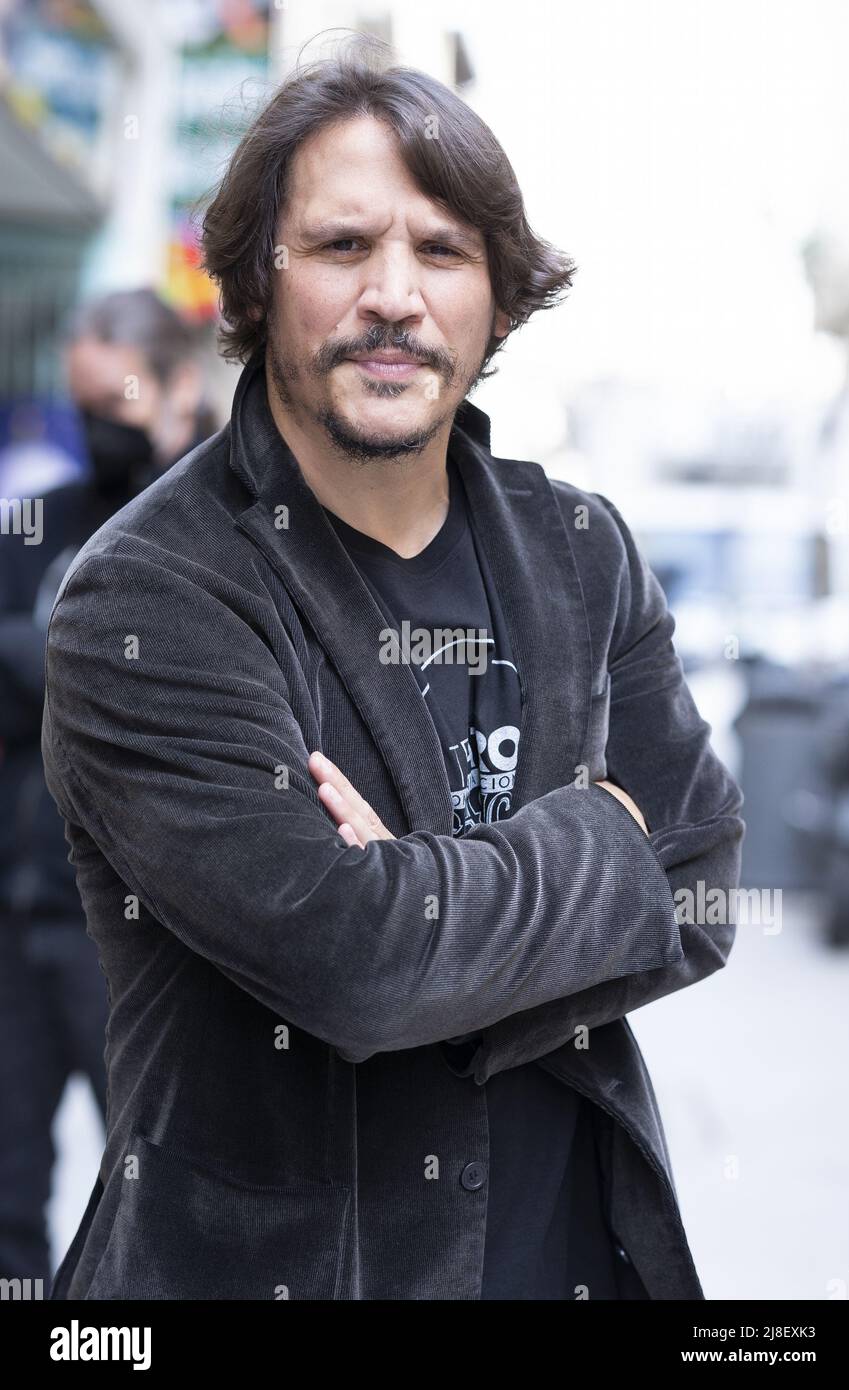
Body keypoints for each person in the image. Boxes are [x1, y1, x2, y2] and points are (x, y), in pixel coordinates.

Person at [42, 37, 745, 1302]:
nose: (392, 296)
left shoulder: (578, 548)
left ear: (496, 294)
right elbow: (352, 966)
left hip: (581, 1257)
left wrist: (426, 914)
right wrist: (600, 839)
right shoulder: (147, 592)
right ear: (258, 277)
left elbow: (701, 882)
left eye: (440, 250)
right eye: (342, 245)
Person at [0, 287, 214, 1288]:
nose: (98, 430)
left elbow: (166, 696)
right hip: (22, 913)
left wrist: (48, 664)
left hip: (147, 936)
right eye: (82, 407)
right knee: (8, 1192)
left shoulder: (227, 521)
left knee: (167, 1194)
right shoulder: (42, 521)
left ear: (177, 388)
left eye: (116, 406)